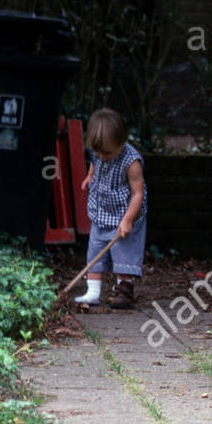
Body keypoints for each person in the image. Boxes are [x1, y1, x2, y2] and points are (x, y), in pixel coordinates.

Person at [75, 107, 147, 310]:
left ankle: (124, 289)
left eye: (106, 152)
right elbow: (94, 163)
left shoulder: (131, 161)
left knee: (123, 251)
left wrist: (128, 219)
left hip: (126, 211)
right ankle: (93, 291)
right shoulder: (98, 153)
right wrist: (90, 176)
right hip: (102, 210)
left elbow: (137, 194)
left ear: (121, 142)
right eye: (97, 152)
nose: (101, 156)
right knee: (95, 250)